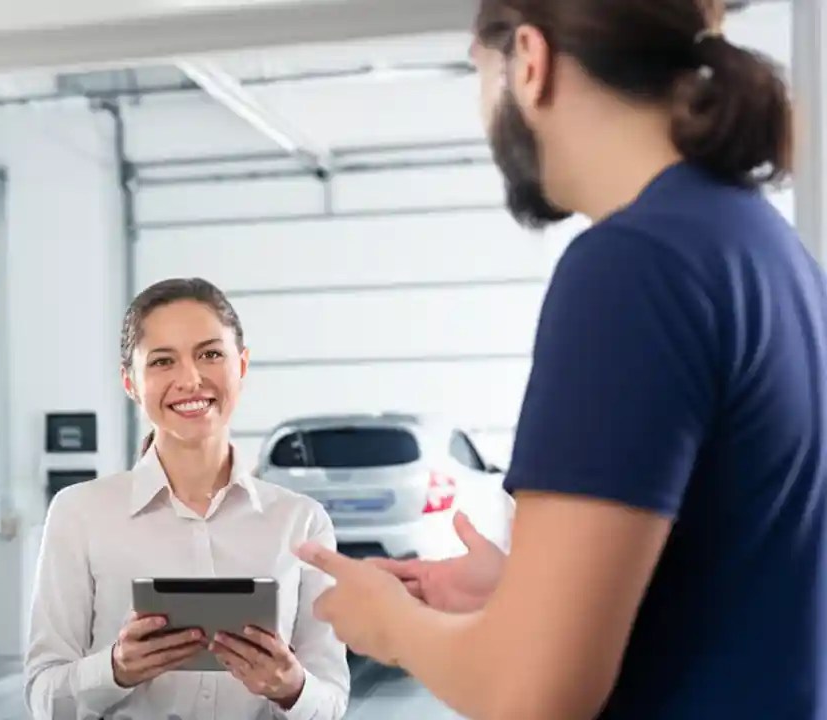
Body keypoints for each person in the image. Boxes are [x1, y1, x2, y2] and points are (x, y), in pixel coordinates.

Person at [297, 1, 827, 718]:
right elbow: (736, 588)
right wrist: (520, 593)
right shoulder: (774, 256)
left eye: (482, 77)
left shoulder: (634, 266)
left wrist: (389, 623)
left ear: (531, 61)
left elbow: (532, 697)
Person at [24, 277, 350, 720]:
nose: (190, 379)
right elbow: (44, 699)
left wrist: (292, 689)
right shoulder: (80, 514)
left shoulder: (302, 523)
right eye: (162, 361)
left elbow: (331, 705)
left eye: (210, 354)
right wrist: (115, 670)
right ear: (131, 383)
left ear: (242, 365)